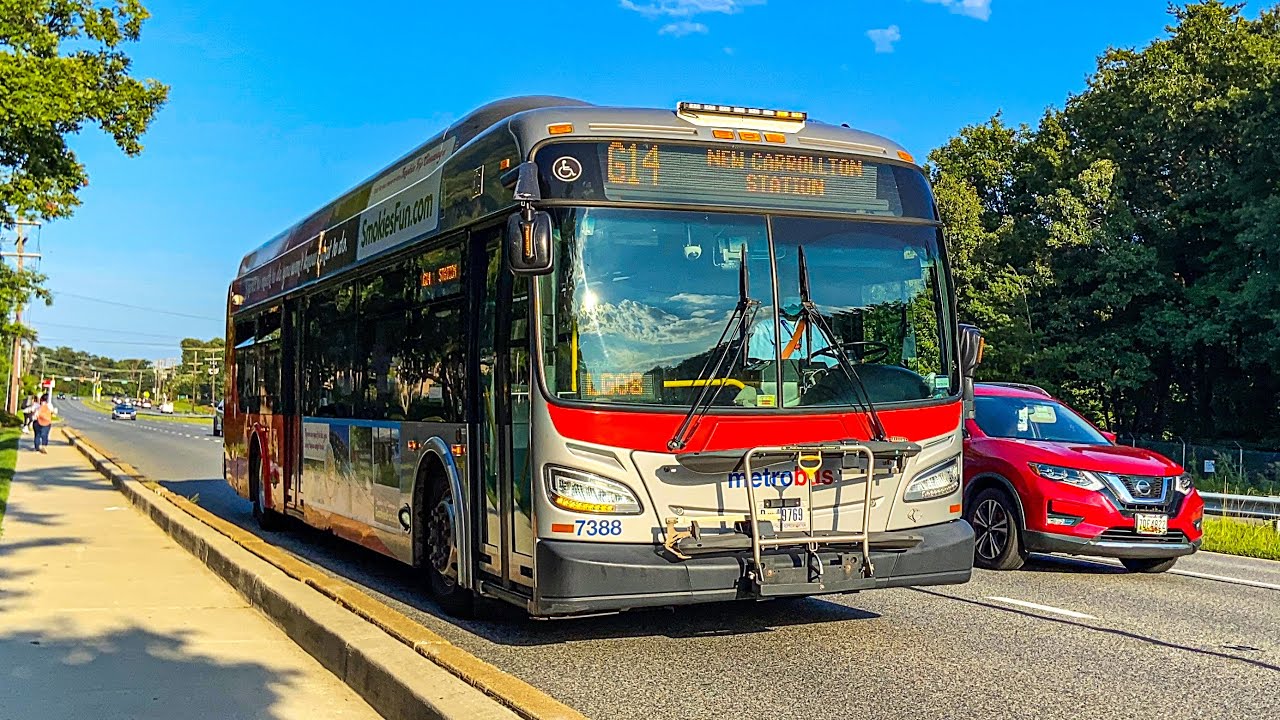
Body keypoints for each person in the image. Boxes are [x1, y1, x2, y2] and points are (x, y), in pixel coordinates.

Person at [747, 300, 837, 368]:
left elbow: (834, 365)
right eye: (788, 299)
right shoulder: (765, 328)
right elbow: (759, 366)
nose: (793, 304)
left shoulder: (814, 329)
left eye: (797, 299)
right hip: (781, 388)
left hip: (816, 387)